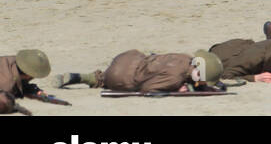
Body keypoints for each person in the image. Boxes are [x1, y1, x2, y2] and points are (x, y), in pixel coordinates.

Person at [54, 50, 225, 93]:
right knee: (126, 81)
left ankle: (84, 77)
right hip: (121, 77)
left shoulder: (184, 57)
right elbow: (148, 88)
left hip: (127, 57)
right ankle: (94, 79)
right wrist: (179, 88)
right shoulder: (175, 78)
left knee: (104, 77)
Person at [0, 50, 54, 115]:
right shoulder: (8, 84)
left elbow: (21, 84)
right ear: (28, 75)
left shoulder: (14, 61)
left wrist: (35, 91)